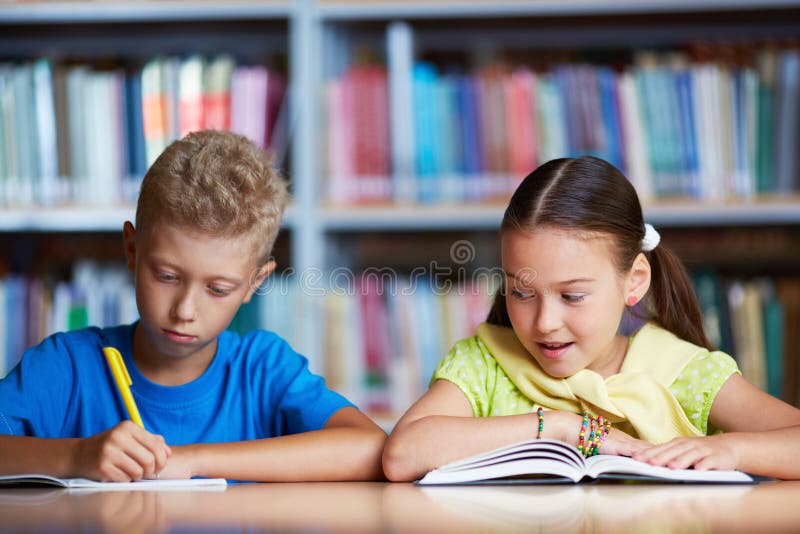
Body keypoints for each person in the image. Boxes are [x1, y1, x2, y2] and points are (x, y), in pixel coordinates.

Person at [383, 155, 800, 481]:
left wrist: (733, 449)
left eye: (573, 296)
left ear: (634, 281)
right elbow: (402, 454)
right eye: (521, 293)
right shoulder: (486, 363)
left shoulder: (682, 371)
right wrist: (561, 428)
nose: (545, 322)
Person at [0, 130, 386, 482]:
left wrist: (192, 460)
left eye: (217, 289)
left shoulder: (262, 369)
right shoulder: (69, 365)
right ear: (132, 250)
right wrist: (75, 456)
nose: (185, 310)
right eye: (167, 276)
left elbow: (369, 448)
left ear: (254, 283)